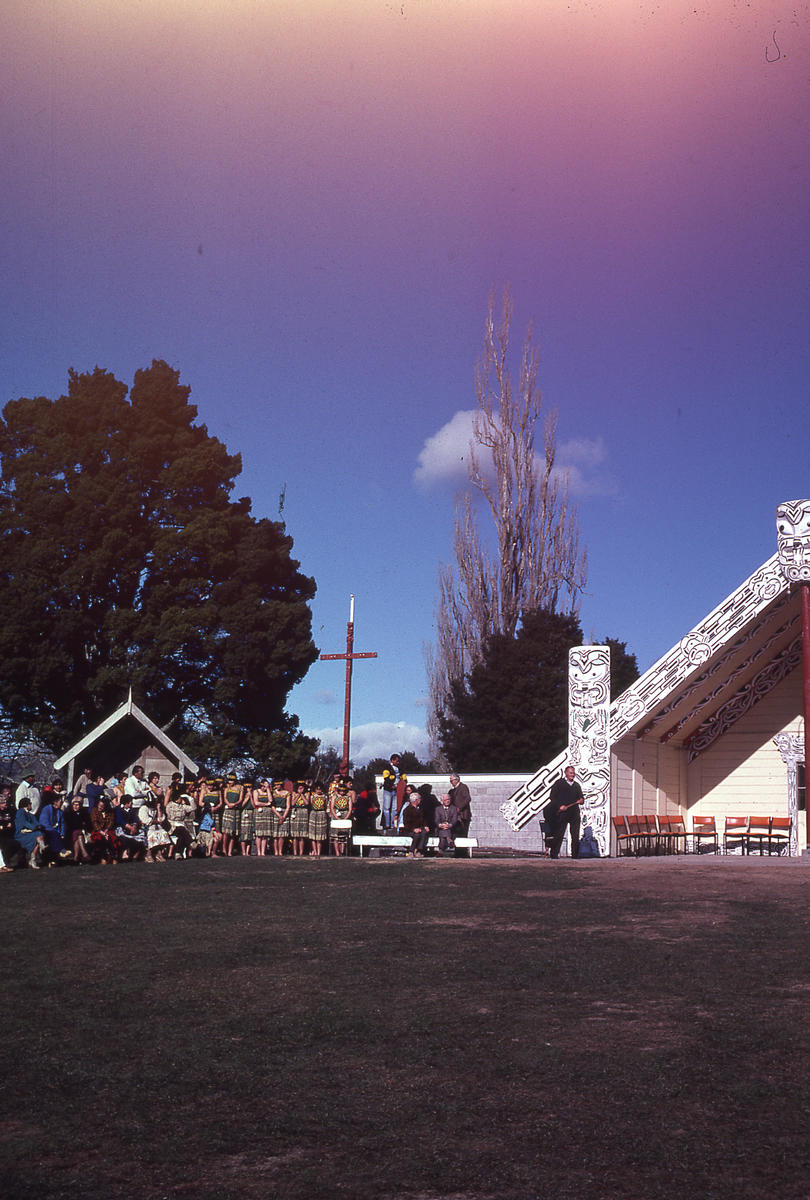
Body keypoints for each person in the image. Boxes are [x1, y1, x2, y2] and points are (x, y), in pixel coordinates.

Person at [546, 765, 585, 859]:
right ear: (566, 773)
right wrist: (560, 806)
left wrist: (581, 800)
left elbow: (581, 798)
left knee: (575, 835)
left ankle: (575, 855)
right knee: (559, 834)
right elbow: (552, 797)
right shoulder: (559, 783)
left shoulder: (576, 785)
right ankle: (554, 854)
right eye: (571, 773)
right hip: (563, 813)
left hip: (574, 813)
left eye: (573, 773)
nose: (573, 775)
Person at [14, 796, 46, 868]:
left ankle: (33, 859)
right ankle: (42, 849)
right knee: (38, 836)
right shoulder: (20, 812)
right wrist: (34, 827)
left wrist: (38, 826)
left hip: (30, 832)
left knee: (38, 838)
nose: (31, 805)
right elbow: (23, 822)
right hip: (21, 834)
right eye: (30, 804)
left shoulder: (31, 815)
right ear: (27, 805)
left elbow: (36, 823)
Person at [401, 790, 430, 858]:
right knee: (417, 835)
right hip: (409, 830)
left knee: (424, 833)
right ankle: (411, 851)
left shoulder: (421, 809)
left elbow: (424, 819)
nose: (420, 800)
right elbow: (406, 823)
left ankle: (419, 851)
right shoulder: (407, 810)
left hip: (420, 828)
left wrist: (426, 826)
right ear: (416, 800)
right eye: (419, 799)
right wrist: (413, 829)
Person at [64, 796, 94, 863]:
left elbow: (88, 823)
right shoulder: (68, 813)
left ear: (80, 805)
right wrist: (81, 824)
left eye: (77, 805)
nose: (75, 806)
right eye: (74, 804)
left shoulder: (84, 813)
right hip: (70, 832)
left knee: (79, 836)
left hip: (82, 832)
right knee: (78, 834)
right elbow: (70, 825)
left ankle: (76, 858)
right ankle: (84, 853)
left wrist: (82, 825)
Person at [381, 754, 401, 833]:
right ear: (392, 760)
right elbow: (386, 779)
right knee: (386, 808)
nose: (398, 762)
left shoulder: (399, 769)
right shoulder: (387, 768)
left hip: (396, 791)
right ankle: (387, 824)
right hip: (388, 790)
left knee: (394, 808)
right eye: (396, 760)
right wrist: (391, 786)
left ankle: (393, 824)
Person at [289, 780, 310, 857]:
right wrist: (298, 795)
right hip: (296, 812)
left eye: (302, 787)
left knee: (302, 835)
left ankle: (301, 852)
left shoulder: (307, 793)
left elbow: (307, 803)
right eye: (299, 787)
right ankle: (295, 852)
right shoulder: (294, 793)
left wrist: (302, 795)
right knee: (295, 835)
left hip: (304, 812)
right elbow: (292, 803)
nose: (301, 789)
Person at [307, 783, 329, 857]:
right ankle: (315, 851)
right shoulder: (312, 796)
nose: (319, 791)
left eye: (320, 789)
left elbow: (326, 806)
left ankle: (318, 852)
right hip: (313, 814)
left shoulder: (325, 797)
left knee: (319, 835)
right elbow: (310, 805)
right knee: (313, 835)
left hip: (321, 814)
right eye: (317, 789)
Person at [448, 773, 472, 838]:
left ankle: (462, 848)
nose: (451, 783)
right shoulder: (451, 791)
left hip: (463, 815)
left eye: (451, 781)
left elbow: (467, 798)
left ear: (456, 780)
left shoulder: (463, 787)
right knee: (455, 833)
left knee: (462, 834)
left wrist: (459, 808)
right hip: (455, 816)